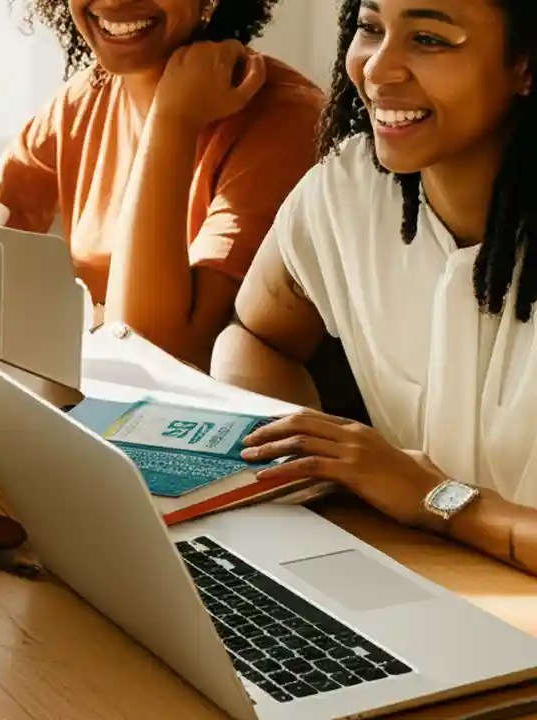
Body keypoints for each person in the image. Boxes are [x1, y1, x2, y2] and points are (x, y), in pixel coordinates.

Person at [211, 0, 537, 575]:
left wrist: (431, 499)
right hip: (423, 573)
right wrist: (296, 466)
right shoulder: (349, 190)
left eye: (430, 39)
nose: (377, 69)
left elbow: (420, 497)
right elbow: (255, 336)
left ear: (526, 64)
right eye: (370, 29)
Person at [0, 0, 324, 369]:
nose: (115, 2)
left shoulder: (285, 124)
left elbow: (157, 354)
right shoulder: (80, 103)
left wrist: (172, 120)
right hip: (110, 413)